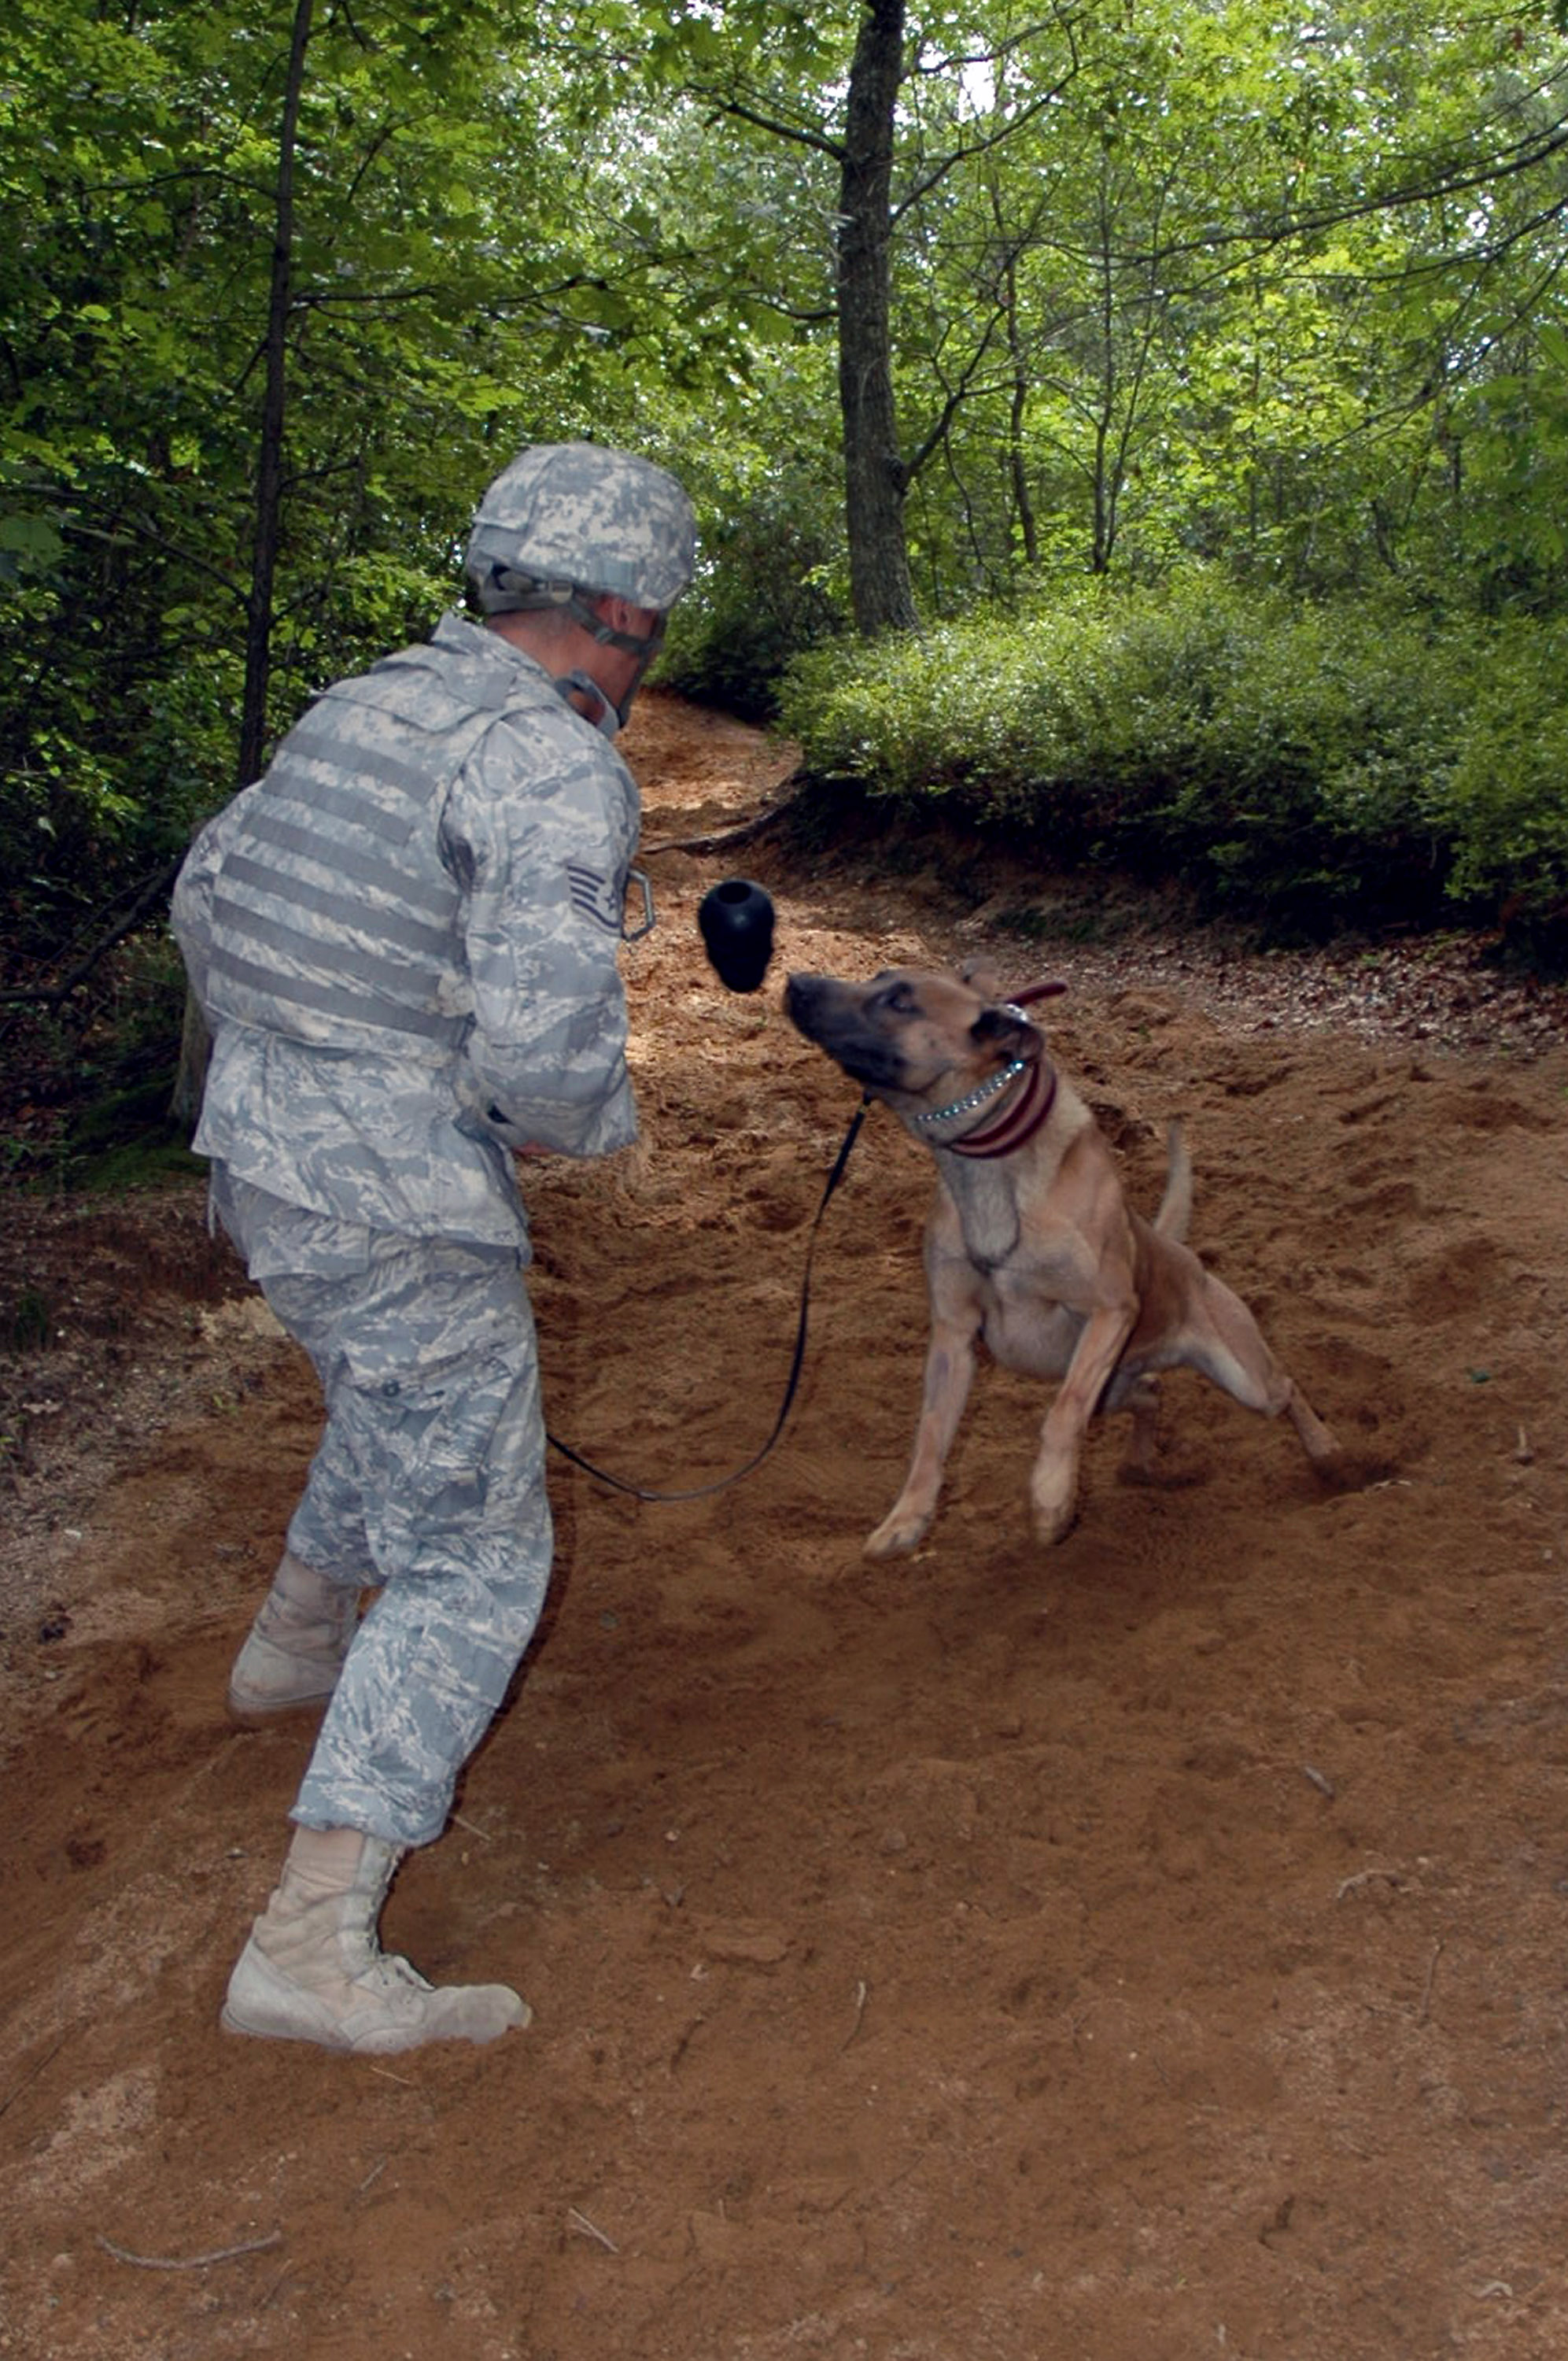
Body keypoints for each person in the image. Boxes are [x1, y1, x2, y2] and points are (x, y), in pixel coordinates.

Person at [171, 442, 695, 2054]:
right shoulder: (549, 762)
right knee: (478, 1551)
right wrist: (588, 1126)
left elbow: (207, 892)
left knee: (387, 1395)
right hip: (394, 1192)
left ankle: (293, 1647)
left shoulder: (368, 702)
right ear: (622, 608)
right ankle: (311, 1941)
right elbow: (548, 1056)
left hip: (263, 1156)